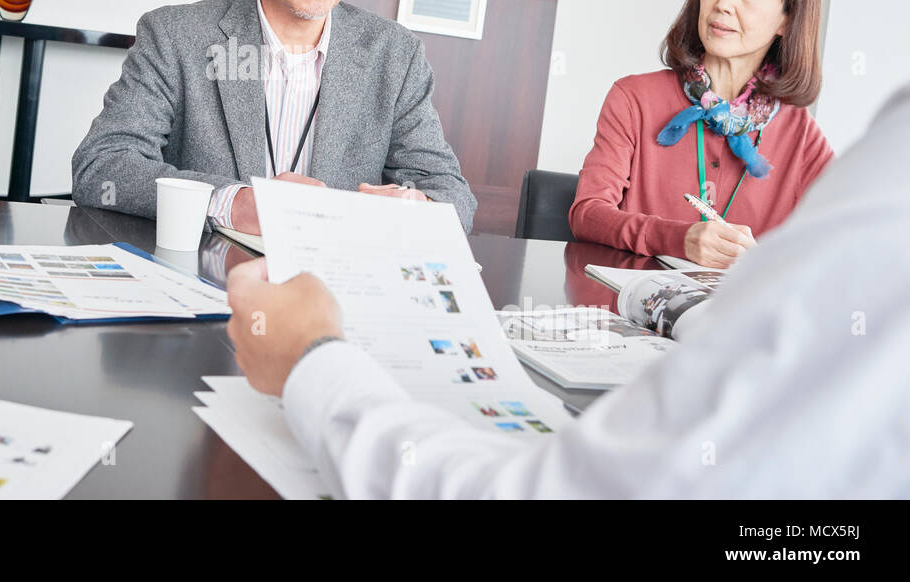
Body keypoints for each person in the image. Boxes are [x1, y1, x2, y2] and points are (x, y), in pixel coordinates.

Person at [226, 83, 910, 498]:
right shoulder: (641, 95)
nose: (725, 2)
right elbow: (587, 211)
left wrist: (313, 361)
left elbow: (449, 195)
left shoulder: (818, 141)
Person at [71, 0, 476, 233]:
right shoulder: (177, 36)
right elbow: (103, 166)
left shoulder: (395, 55)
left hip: (329, 291)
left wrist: (413, 210)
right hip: (209, 277)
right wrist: (232, 202)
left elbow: (453, 197)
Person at [568, 0, 832, 268]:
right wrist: (678, 238)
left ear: (787, 19)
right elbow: (587, 214)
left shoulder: (801, 135)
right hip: (629, 312)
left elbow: (847, 246)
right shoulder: (634, 98)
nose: (723, 3)